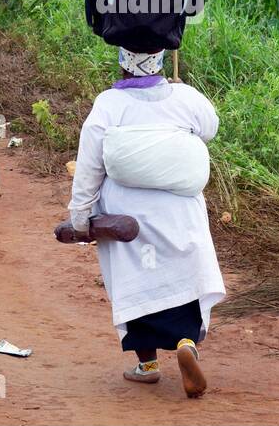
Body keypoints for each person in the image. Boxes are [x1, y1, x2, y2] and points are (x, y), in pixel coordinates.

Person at [66, 47, 224, 398]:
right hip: (179, 211)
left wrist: (80, 218)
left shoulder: (108, 104)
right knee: (181, 276)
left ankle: (148, 364)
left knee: (137, 280)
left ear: (122, 65)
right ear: (161, 61)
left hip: (128, 216)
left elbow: (89, 165)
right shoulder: (185, 97)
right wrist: (183, 92)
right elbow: (210, 127)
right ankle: (186, 343)